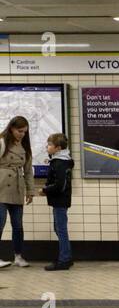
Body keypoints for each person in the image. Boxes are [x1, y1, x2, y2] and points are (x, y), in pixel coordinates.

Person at [0, 115, 36, 269]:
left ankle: (18, 256)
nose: (22, 134)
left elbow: (28, 171)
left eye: (25, 132)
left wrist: (30, 191)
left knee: (18, 225)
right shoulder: (1, 142)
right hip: (0, 187)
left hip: (17, 188)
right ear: (11, 128)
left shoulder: (25, 147)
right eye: (19, 131)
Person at [38, 132, 74, 270]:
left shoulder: (60, 163)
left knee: (61, 229)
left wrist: (45, 190)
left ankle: (64, 260)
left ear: (58, 148)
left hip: (60, 200)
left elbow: (59, 185)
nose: (47, 147)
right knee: (59, 228)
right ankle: (66, 256)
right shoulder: (62, 160)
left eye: (50, 145)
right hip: (60, 200)